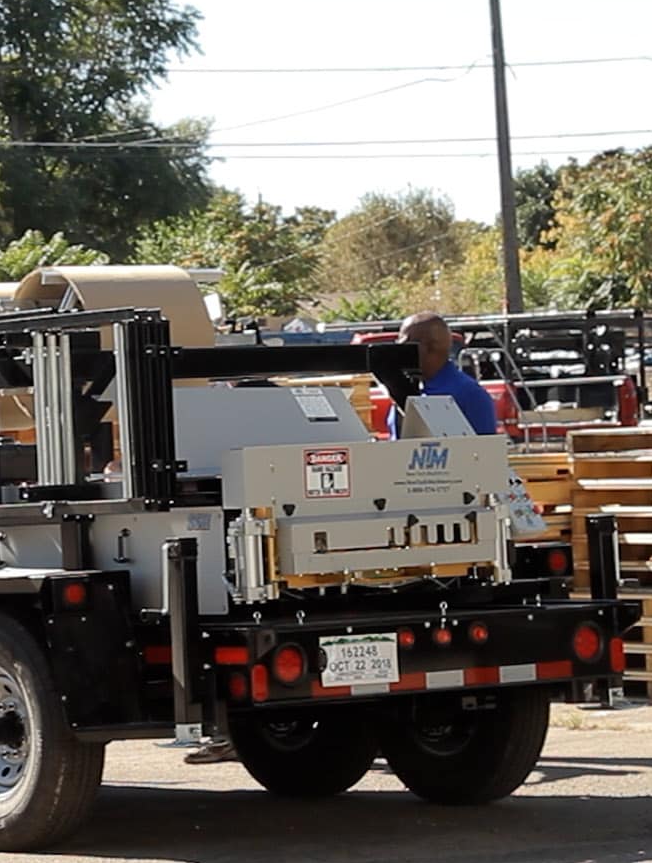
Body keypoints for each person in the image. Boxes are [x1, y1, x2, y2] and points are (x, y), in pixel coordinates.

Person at [186, 312, 501, 768]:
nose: (395, 350)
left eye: (404, 342)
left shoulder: (458, 395)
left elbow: (472, 465)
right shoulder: (413, 392)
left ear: (431, 347)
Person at [387, 311, 501, 438]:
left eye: (404, 344)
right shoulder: (405, 390)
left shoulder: (470, 394)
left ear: (431, 347)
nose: (398, 351)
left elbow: (485, 448)